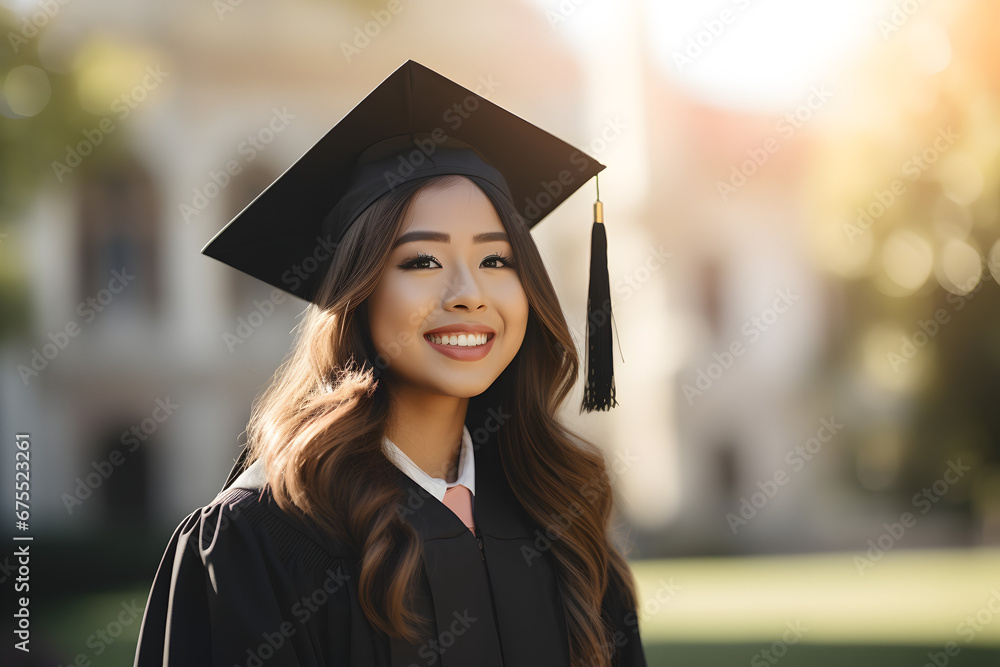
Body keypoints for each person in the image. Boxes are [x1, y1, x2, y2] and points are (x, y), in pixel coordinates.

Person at [133, 59, 646, 667]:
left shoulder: (561, 519)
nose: (468, 293)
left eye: (497, 261)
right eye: (421, 262)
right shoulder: (264, 540)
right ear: (356, 295)